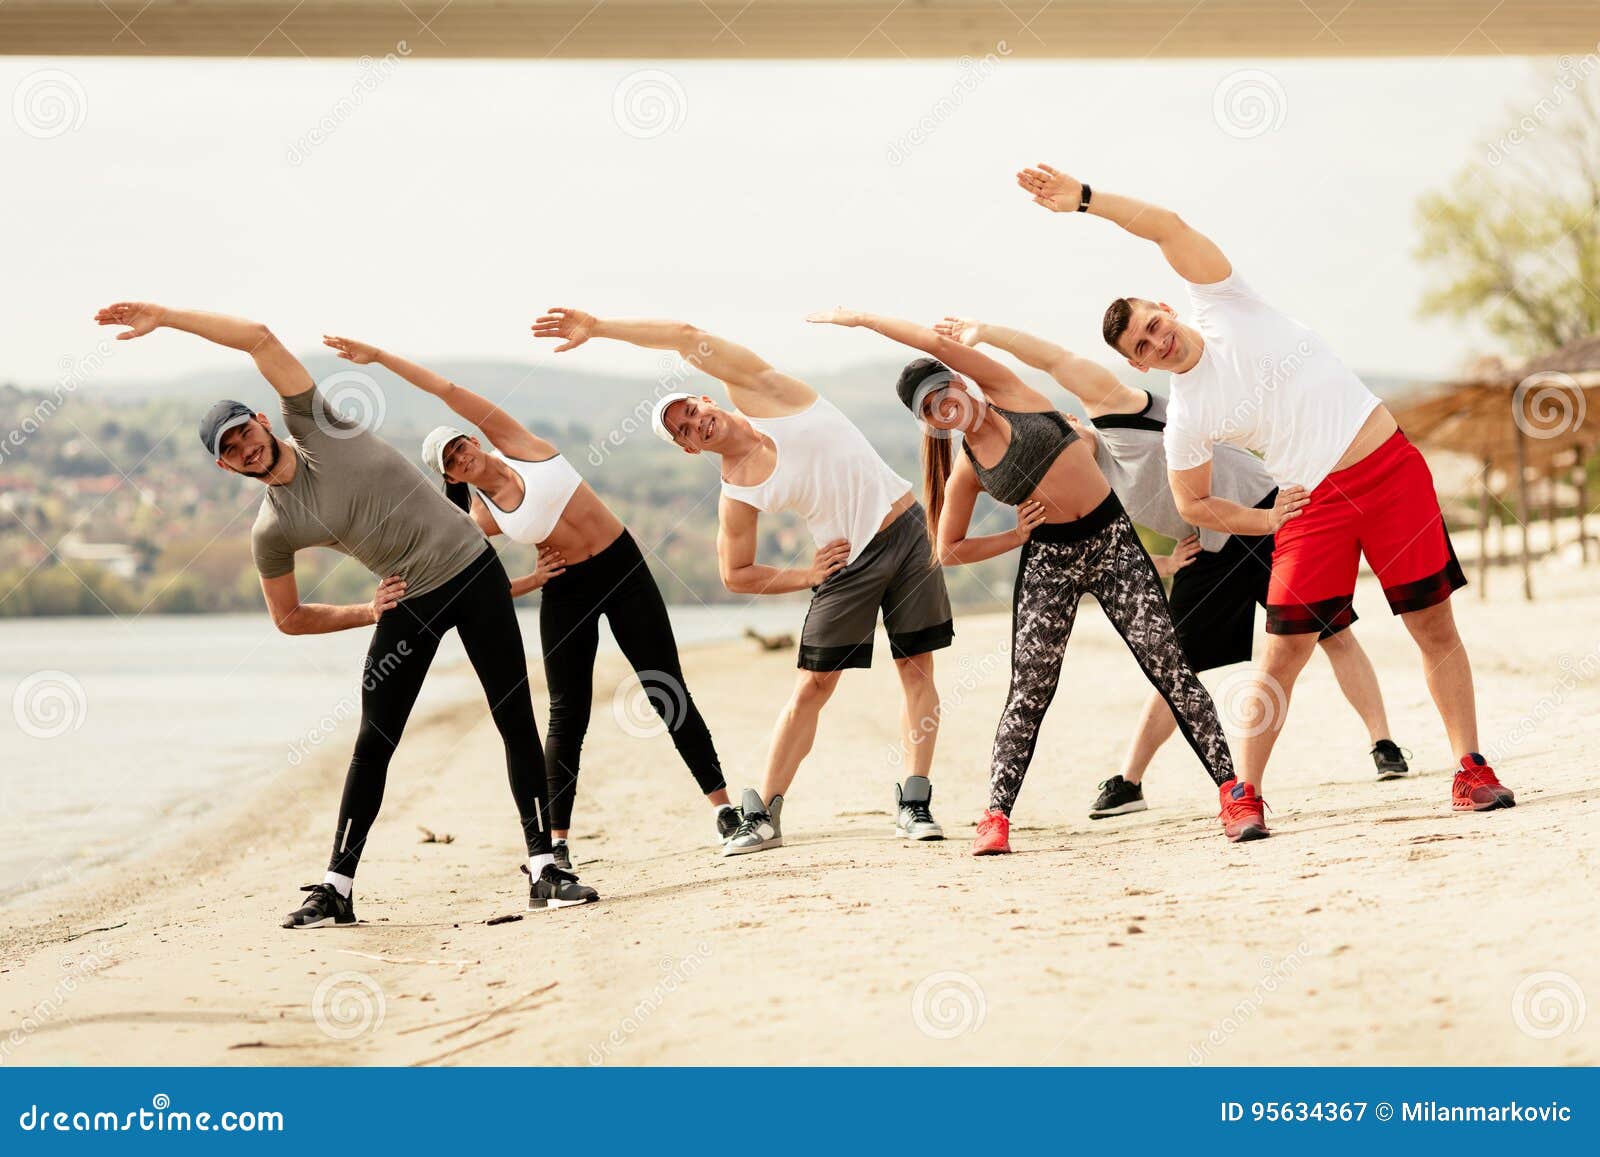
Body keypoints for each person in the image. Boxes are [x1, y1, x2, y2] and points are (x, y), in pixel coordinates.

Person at [1014, 163, 1515, 833]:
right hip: (1314, 506)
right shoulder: (1187, 417)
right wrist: (1264, 516)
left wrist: (1082, 200)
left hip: (1392, 469)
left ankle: (1471, 768)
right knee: (1283, 652)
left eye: (1151, 323)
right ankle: (1244, 794)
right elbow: (1192, 503)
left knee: (1432, 626)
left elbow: (1165, 225)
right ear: (1139, 365)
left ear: (1164, 306)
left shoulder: (1224, 302)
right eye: (1142, 346)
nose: (1157, 339)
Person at [92, 301, 598, 926]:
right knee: (374, 740)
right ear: (223, 465)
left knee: (515, 720)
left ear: (259, 420)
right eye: (230, 450)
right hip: (407, 600)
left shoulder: (314, 425)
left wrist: (164, 318)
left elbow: (258, 337)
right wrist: (366, 610)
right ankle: (336, 887)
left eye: (243, 432)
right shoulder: (272, 530)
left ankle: (543, 866)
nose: (245, 448)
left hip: (474, 570)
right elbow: (289, 618)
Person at [931, 316, 1413, 819]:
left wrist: (985, 334)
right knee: (1174, 662)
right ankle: (1129, 781)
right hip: (1210, 542)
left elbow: (1055, 359)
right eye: (1064, 429)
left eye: (1074, 423)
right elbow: (1118, 551)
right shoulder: (1091, 487)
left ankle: (1384, 745)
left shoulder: (1116, 414)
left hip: (1267, 511)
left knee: (1334, 632)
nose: (1073, 428)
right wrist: (1168, 560)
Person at [807, 308, 1245, 849]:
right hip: (1049, 563)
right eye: (928, 409)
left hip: (1112, 542)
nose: (942, 407)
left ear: (961, 382)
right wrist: (1015, 538)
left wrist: (864, 321)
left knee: (1169, 667)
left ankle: (1234, 794)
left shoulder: (1011, 391)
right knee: (1030, 689)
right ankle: (995, 818)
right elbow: (948, 549)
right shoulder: (969, 467)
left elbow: (929, 340)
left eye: (942, 392)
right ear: (929, 422)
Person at [530, 307, 951, 856]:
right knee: (812, 686)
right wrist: (806, 574)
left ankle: (914, 802)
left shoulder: (766, 392)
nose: (694, 423)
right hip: (847, 563)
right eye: (683, 430)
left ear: (708, 399)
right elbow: (736, 574)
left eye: (690, 410)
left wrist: (600, 328)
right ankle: (765, 814)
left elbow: (686, 335)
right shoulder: (738, 491)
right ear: (687, 448)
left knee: (916, 669)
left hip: (909, 530)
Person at [320, 334, 741, 865]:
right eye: (451, 462)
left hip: (621, 565)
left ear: (473, 440)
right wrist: (531, 581)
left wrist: (380, 356)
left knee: (664, 686)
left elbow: (448, 389)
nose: (462, 458)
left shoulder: (518, 443)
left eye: (460, 445)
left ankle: (724, 809)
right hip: (566, 588)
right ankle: (556, 843)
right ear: (449, 476)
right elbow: (473, 585)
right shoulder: (480, 520)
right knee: (568, 713)